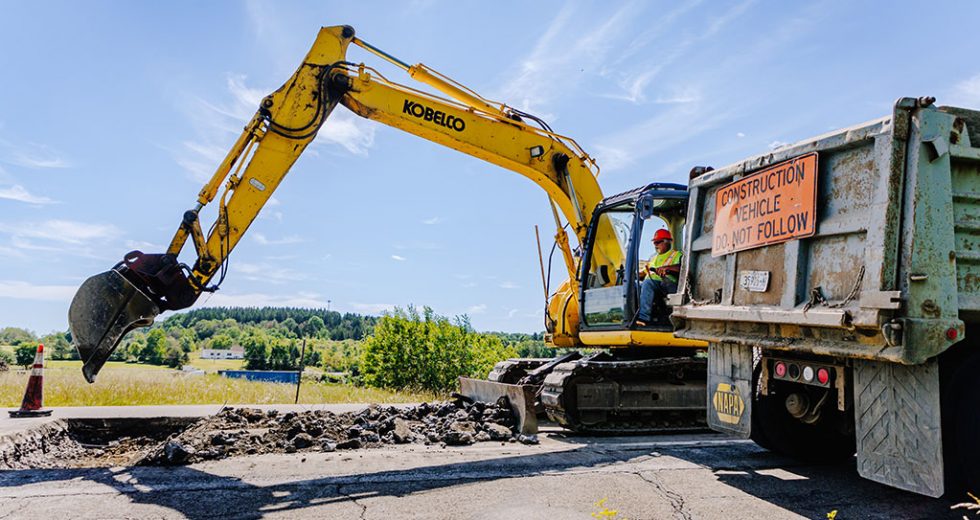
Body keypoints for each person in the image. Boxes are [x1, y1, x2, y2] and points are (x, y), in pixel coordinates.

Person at [636, 229, 682, 326]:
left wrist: (668, 269)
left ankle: (643, 318)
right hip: (655, 285)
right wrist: (632, 275)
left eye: (658, 242)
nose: (655, 245)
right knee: (635, 285)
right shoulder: (653, 258)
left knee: (648, 283)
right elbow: (644, 272)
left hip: (669, 285)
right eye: (654, 243)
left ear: (668, 242)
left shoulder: (677, 255)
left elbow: (683, 268)